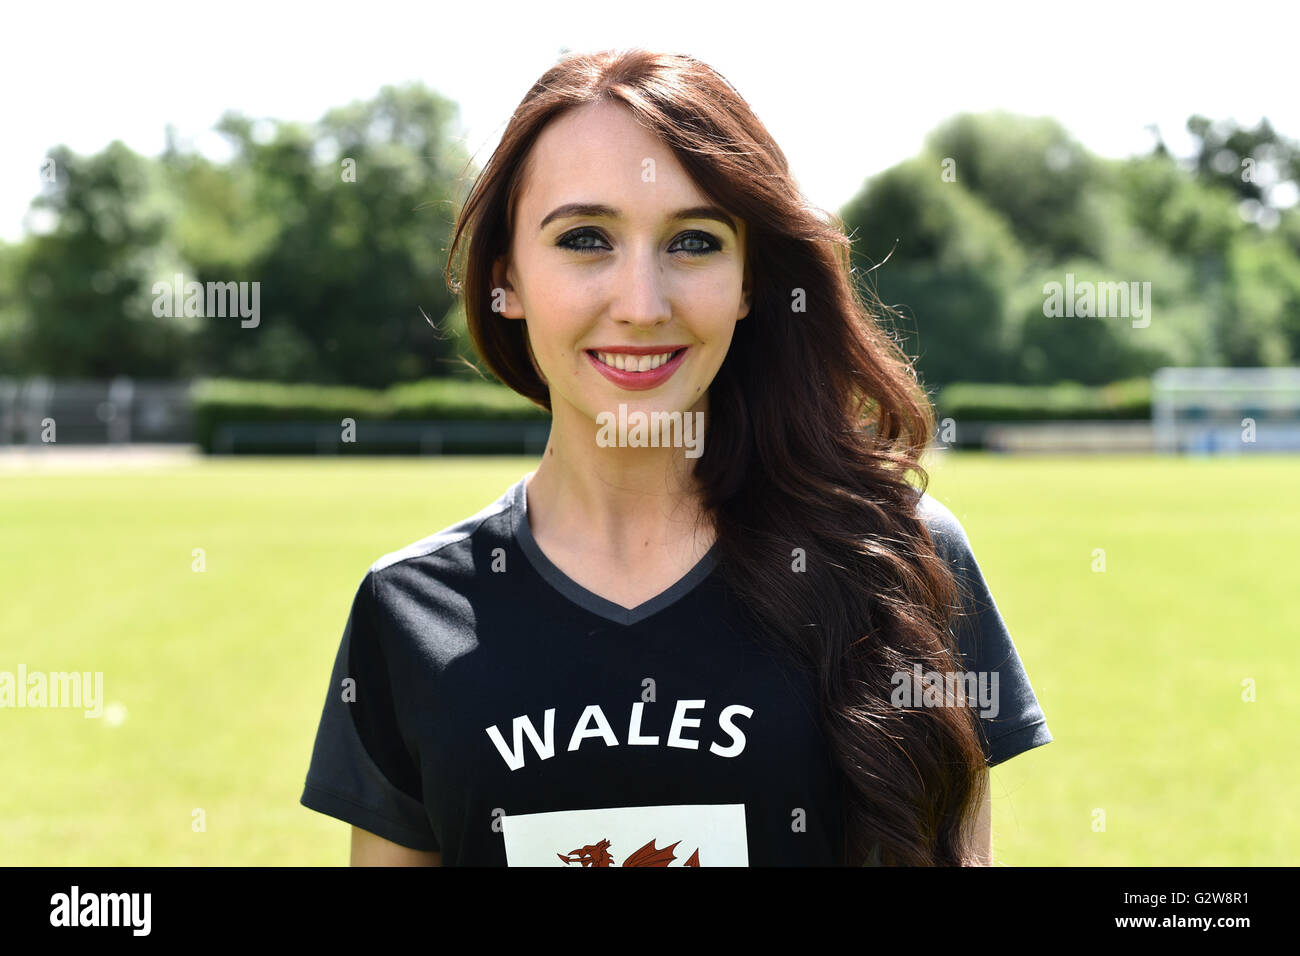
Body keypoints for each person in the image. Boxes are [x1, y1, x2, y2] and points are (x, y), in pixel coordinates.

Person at [300, 48, 1051, 867]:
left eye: (693, 242)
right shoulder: (407, 611)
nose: (642, 304)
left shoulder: (898, 560)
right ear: (504, 278)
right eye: (586, 239)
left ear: (749, 281)